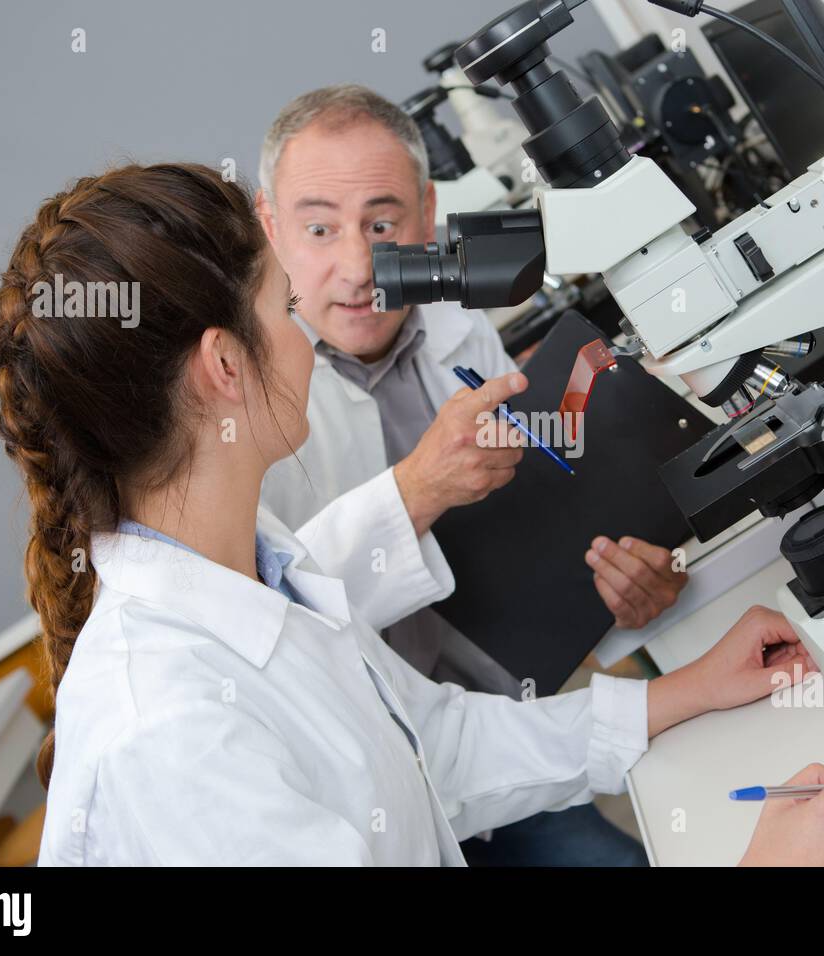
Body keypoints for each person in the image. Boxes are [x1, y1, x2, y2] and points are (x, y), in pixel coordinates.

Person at [0, 162, 824, 866]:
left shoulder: (260, 569)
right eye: (285, 305)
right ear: (225, 368)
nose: (306, 332)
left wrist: (687, 691)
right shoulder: (172, 737)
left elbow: (433, 750)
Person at [255, 86, 687, 863]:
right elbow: (272, 620)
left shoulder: (455, 326)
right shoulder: (249, 404)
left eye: (383, 225)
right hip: (365, 792)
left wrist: (628, 589)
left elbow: (539, 523)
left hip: (498, 721)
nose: (359, 267)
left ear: (427, 214)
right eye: (319, 229)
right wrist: (416, 490)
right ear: (271, 228)